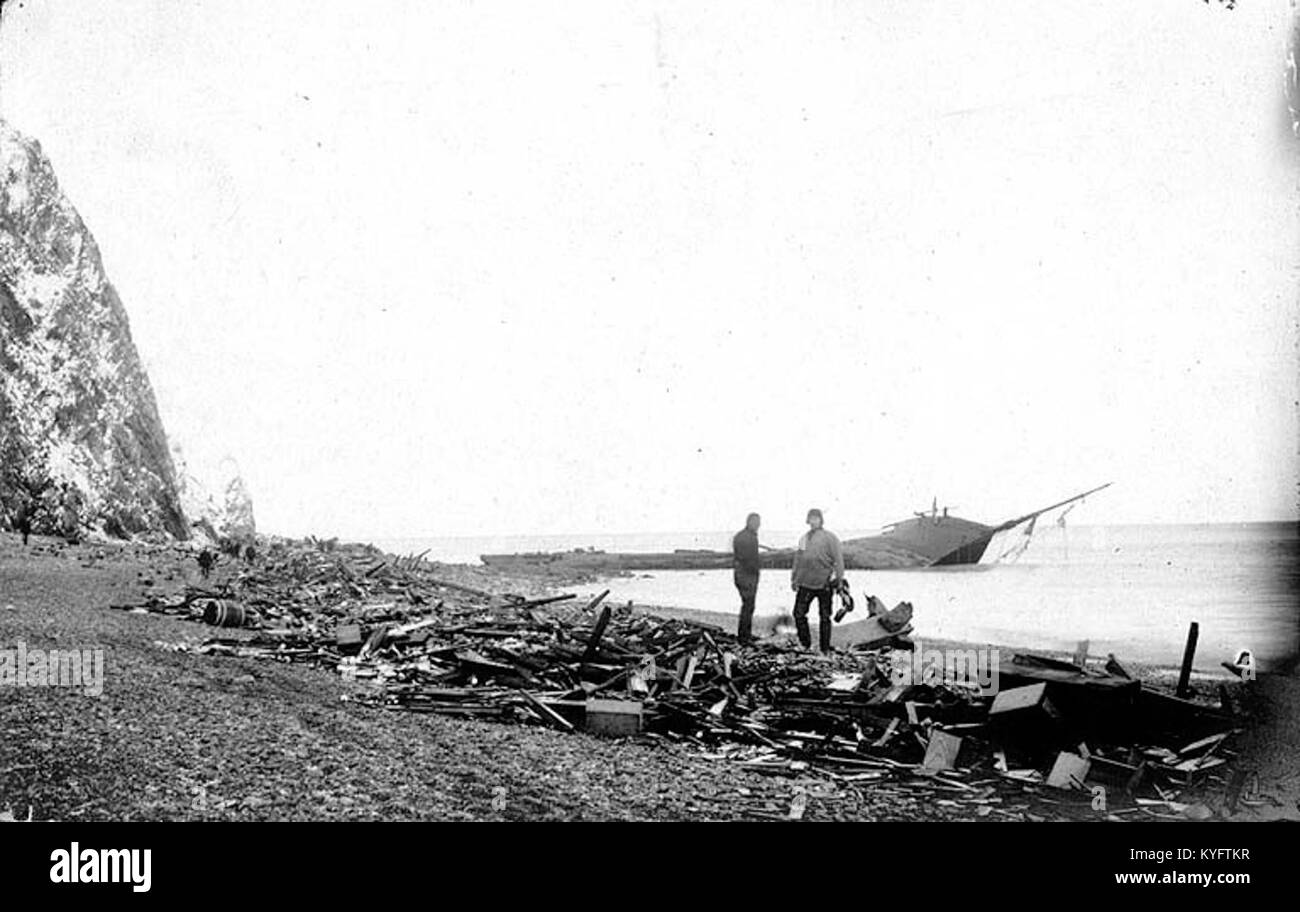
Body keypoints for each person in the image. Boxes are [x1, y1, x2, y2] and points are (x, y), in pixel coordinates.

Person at [790, 508, 844, 654]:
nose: (814, 521)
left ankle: (824, 648)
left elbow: (838, 559)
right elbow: (798, 559)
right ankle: (805, 643)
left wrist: (840, 579)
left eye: (816, 518)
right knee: (798, 614)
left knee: (825, 617)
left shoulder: (830, 538)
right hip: (805, 582)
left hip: (824, 583)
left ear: (821, 520)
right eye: (811, 518)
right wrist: (794, 579)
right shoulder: (804, 538)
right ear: (808, 520)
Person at [732, 513, 762, 644]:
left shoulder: (745, 536)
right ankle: (744, 637)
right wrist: (755, 571)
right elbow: (747, 559)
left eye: (758, 523)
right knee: (748, 605)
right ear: (749, 522)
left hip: (744, 574)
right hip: (746, 575)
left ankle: (745, 634)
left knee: (748, 605)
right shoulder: (746, 537)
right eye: (755, 522)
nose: (757, 525)